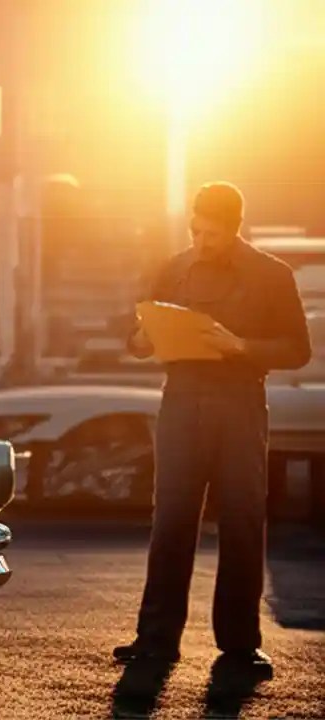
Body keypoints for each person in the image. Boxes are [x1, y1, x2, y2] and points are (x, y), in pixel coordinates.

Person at [115, 182, 313, 674]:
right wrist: (142, 337)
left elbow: (298, 350)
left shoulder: (273, 275)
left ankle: (241, 646)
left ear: (235, 227)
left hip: (240, 404)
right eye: (197, 231)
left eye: (213, 234)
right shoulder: (174, 267)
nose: (202, 242)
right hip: (180, 401)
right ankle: (155, 640)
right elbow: (134, 334)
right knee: (172, 521)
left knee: (243, 521)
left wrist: (242, 346)